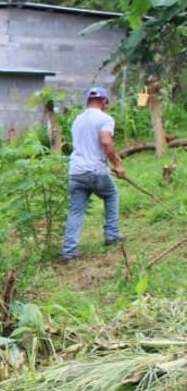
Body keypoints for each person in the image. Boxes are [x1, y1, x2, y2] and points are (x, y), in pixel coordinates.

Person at [62, 86, 126, 263]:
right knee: (112, 195)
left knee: (76, 211)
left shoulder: (77, 120)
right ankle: (112, 235)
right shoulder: (105, 118)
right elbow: (106, 141)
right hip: (94, 170)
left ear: (88, 102)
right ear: (104, 102)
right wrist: (118, 165)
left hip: (75, 171)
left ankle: (69, 252)